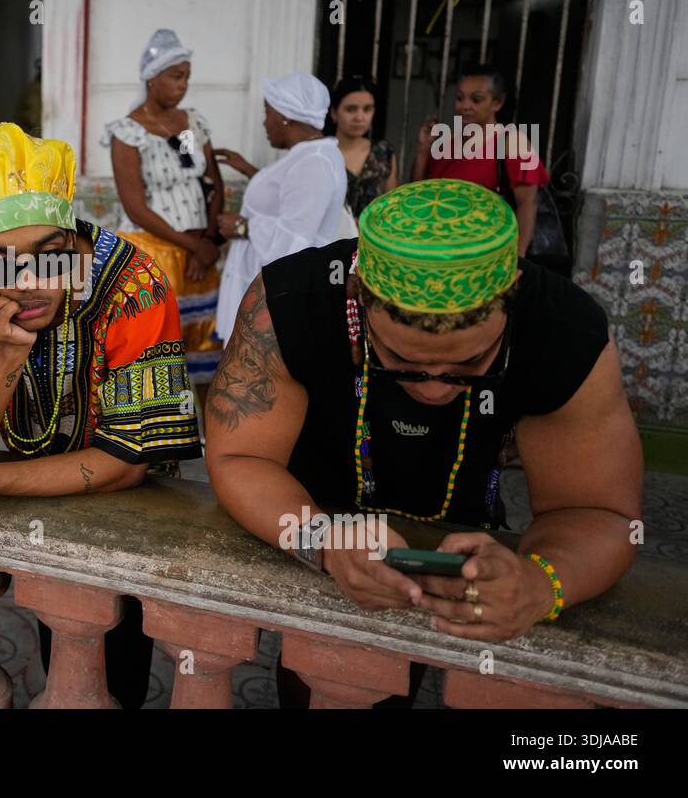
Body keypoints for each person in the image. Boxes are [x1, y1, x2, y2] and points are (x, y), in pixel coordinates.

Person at [205, 179, 642, 705]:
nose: (435, 388)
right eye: (402, 362)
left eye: (470, 365)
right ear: (359, 297)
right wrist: (320, 538)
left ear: (514, 300)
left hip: (467, 521)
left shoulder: (564, 331)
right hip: (321, 508)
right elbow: (241, 456)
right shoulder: (288, 304)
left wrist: (539, 584)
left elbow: (598, 511)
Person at [0, 122, 202, 708]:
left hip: (118, 503)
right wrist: (9, 350)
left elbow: (128, 464)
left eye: (52, 257)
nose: (28, 283)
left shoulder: (134, 284)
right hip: (37, 482)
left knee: (104, 659)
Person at [103, 29, 230, 389]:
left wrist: (207, 241)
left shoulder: (187, 126)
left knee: (205, 345)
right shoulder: (129, 133)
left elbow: (211, 183)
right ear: (151, 78)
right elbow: (135, 206)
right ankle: (158, 431)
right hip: (152, 252)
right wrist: (197, 247)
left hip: (198, 255)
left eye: (187, 76)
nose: (183, 85)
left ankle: (207, 438)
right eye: (176, 76)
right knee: (157, 345)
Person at [214, 72, 348, 343]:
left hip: (275, 301)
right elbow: (287, 199)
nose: (265, 122)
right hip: (263, 291)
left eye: (267, 112)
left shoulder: (315, 163)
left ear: (286, 115)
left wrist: (243, 227)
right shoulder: (307, 156)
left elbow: (293, 244)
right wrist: (251, 171)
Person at [412, 64, 548, 256]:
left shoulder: (513, 142)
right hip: (441, 251)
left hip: (487, 254)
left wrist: (517, 258)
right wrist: (422, 151)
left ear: (497, 103)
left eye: (476, 99)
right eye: (460, 98)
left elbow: (528, 203)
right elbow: (420, 196)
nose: (465, 106)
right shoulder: (447, 143)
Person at [329, 75, 398, 219]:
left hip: (371, 240)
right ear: (334, 113)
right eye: (350, 109)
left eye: (367, 109)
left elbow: (391, 210)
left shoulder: (383, 153)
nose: (359, 117)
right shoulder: (321, 153)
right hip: (328, 241)